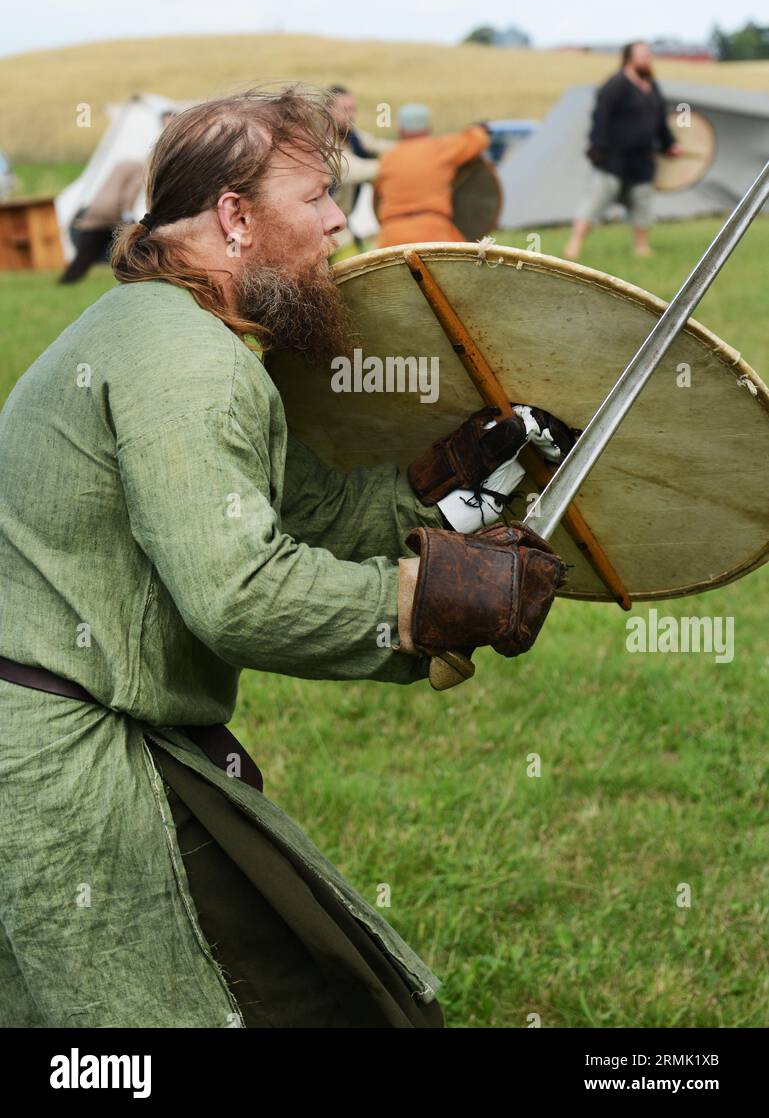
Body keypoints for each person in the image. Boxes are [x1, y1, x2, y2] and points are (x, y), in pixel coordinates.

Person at [0, 87, 571, 1029]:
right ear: (235, 216)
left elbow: (306, 506)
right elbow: (238, 590)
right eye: (316, 197)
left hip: (75, 726)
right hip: (67, 768)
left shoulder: (165, 331)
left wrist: (445, 481)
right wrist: (428, 603)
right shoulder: (188, 359)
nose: (343, 220)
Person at [564, 41, 682, 260]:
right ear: (629, 58)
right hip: (613, 159)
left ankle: (641, 248)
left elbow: (659, 122)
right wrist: (597, 148)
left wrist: (669, 144)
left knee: (642, 204)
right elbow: (600, 117)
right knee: (595, 201)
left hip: (642, 159)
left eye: (649, 55)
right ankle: (573, 247)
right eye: (643, 56)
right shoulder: (615, 85)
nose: (648, 60)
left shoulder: (652, 87)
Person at [59, 109, 176, 284]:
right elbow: (128, 194)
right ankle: (135, 274)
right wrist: (127, 213)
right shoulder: (140, 167)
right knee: (126, 245)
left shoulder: (123, 164)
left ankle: (70, 280)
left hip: (97, 211)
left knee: (90, 252)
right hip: (111, 214)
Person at [375, 104, 490, 247]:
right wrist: (478, 129)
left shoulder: (387, 157)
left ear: (400, 130)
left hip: (391, 236)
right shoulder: (440, 148)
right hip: (432, 232)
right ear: (428, 128)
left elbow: (377, 195)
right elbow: (477, 141)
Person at [327, 84, 390, 251]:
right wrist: (399, 166)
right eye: (345, 110)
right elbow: (355, 169)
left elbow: (381, 146)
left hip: (344, 226)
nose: (351, 116)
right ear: (328, 111)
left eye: (353, 109)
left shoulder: (353, 137)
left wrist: (418, 150)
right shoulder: (322, 145)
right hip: (324, 232)